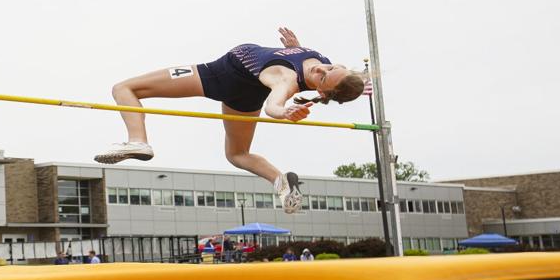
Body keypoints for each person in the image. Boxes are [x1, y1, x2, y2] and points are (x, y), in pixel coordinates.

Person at [95, 27, 367, 215]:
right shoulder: (322, 63)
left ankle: (138, 142)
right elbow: (313, 70)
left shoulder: (284, 80)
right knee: (237, 154)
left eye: (321, 77)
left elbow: (274, 104)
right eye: (330, 68)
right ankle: (282, 183)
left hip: (215, 76)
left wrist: (283, 112)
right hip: (244, 96)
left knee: (124, 88)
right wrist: (295, 48)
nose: (321, 68)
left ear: (321, 91)